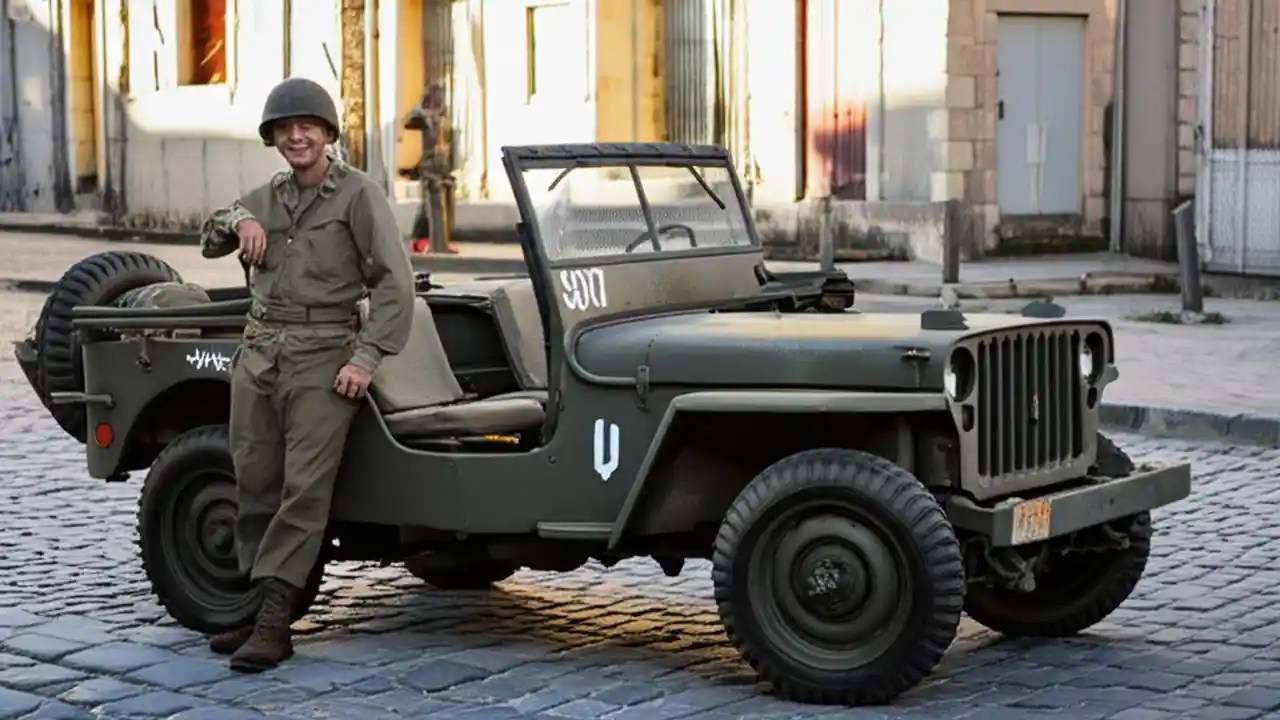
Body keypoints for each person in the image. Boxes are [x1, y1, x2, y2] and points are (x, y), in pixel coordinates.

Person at [197, 76, 415, 672]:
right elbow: (211, 232)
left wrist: (364, 358)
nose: (297, 136)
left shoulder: (359, 196)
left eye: (308, 126)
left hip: (324, 356)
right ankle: (256, 599)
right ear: (273, 137)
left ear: (326, 134)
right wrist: (239, 222)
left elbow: (396, 285)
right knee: (254, 479)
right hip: (261, 349)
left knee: (303, 489)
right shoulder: (268, 196)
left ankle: (275, 620)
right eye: (285, 128)